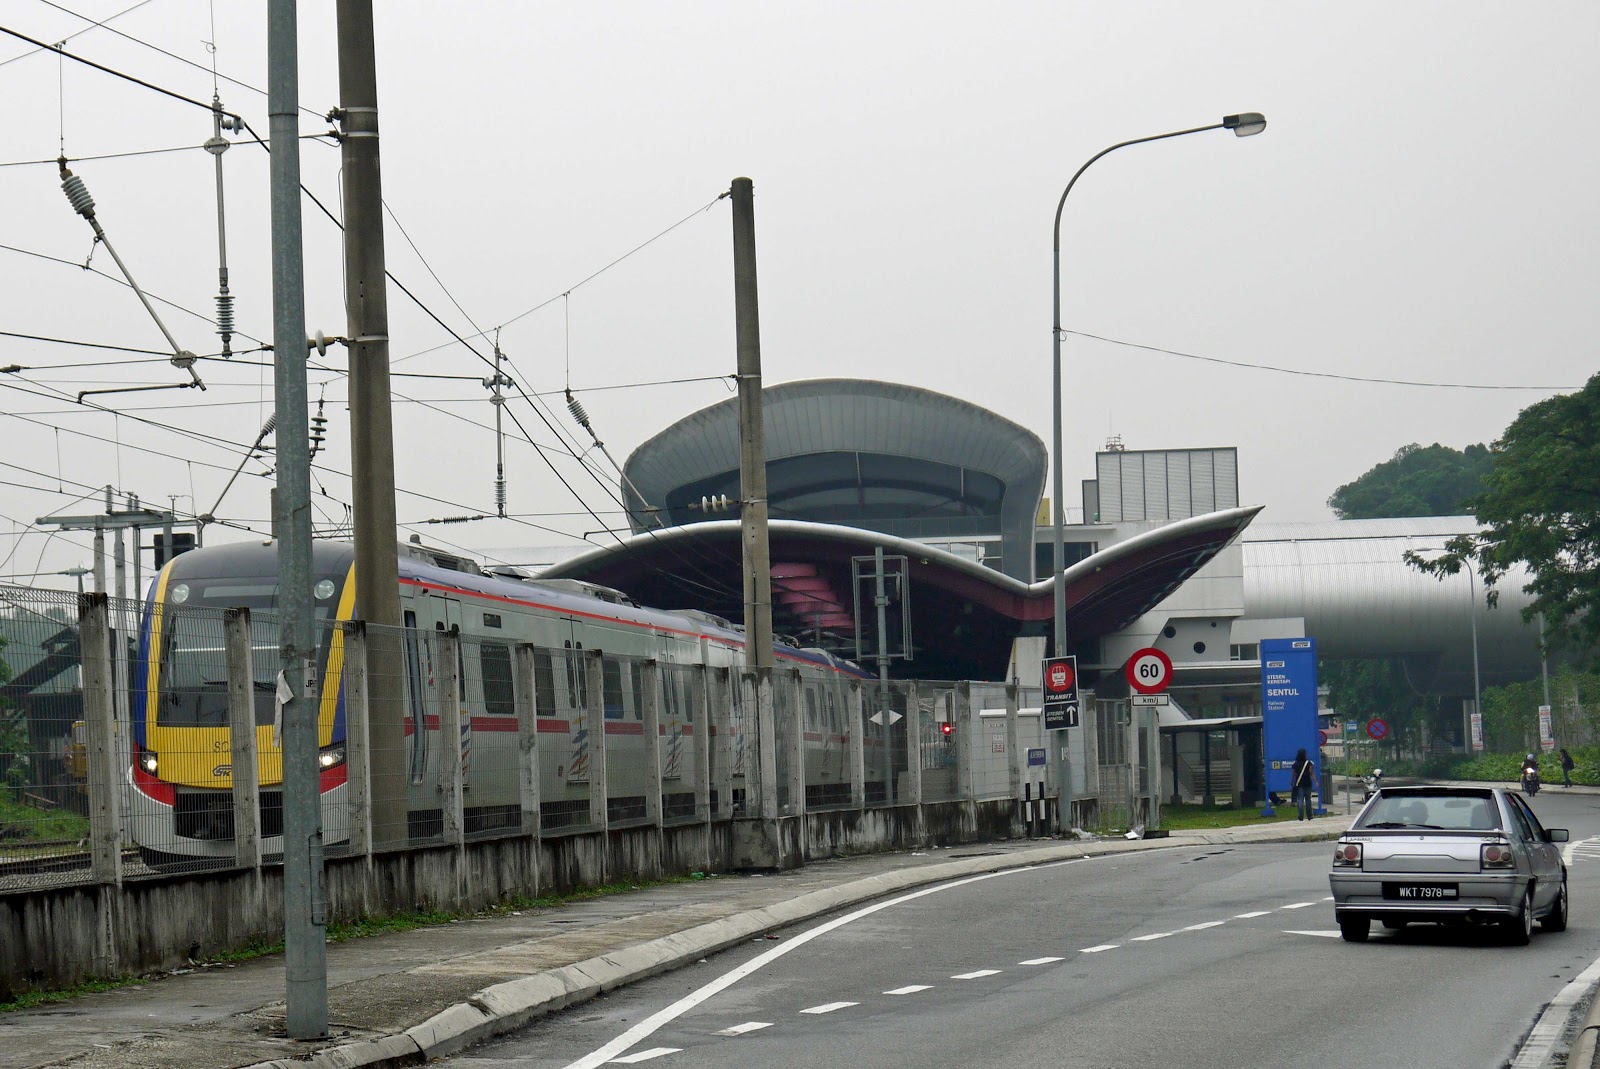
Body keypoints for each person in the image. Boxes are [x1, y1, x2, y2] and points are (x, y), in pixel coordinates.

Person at [1290, 747, 1314, 821]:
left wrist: (1292, 782)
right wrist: (1316, 781)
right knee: (1308, 799)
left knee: (1300, 800)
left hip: (1299, 784)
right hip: (1308, 783)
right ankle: (1309, 815)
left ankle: (1301, 816)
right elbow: (1311, 773)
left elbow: (1293, 774)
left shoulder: (1295, 764)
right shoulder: (1308, 763)